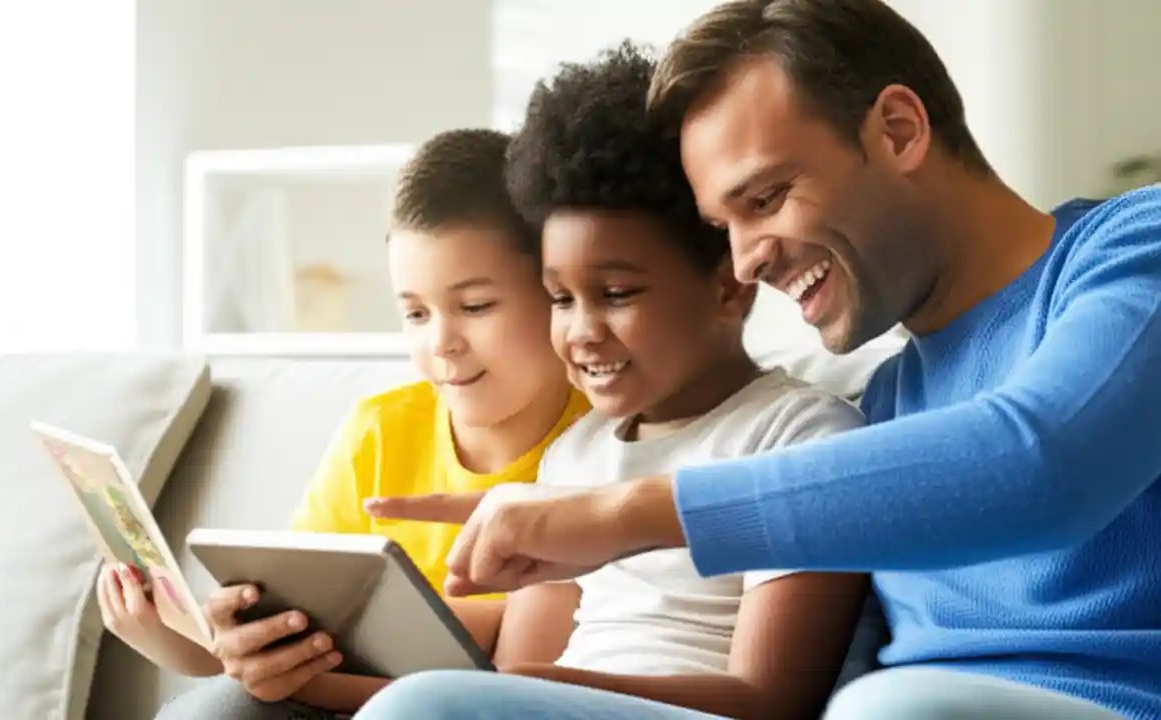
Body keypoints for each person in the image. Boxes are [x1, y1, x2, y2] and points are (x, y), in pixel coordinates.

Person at [354, 1, 1161, 719]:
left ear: (899, 131)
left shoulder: (1134, 249)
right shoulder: (885, 402)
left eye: (765, 198)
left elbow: (1043, 462)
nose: (743, 264)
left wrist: (623, 514)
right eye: (723, 224)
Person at [373, 41, 868, 719]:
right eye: (559, 298)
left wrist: (526, 692)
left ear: (728, 285)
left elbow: (769, 700)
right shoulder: (575, 454)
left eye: (616, 293)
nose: (581, 331)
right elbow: (522, 670)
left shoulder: (802, 437)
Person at [98, 128, 590, 719]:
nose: (442, 343)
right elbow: (291, 618)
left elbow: (516, 675)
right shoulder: (380, 429)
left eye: (476, 306)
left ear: (556, 291)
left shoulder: (600, 447)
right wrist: (189, 637)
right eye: (414, 312)